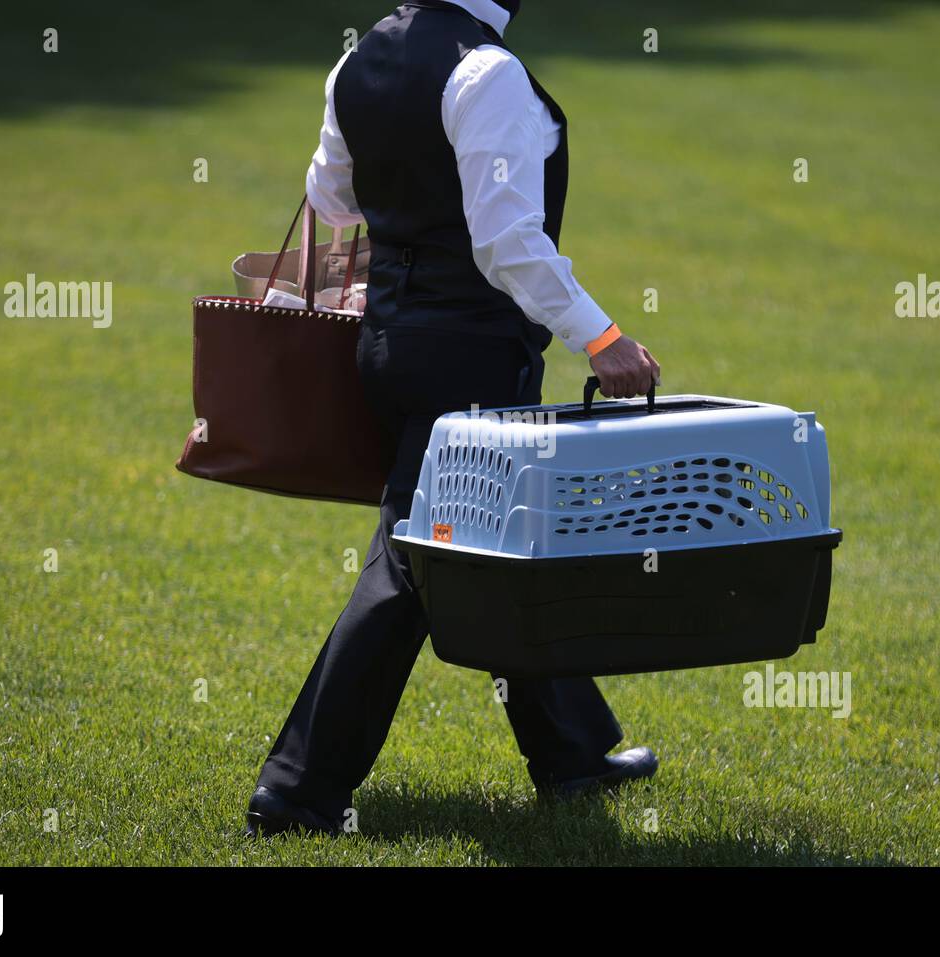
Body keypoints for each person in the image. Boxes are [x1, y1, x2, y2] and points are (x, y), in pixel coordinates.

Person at [247, 0, 662, 838]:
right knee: (410, 567)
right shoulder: (488, 71)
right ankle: (296, 790)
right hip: (467, 357)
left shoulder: (357, 61)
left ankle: (574, 751)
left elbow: (329, 192)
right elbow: (505, 242)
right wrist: (603, 335)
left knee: (505, 547)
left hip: (388, 347)